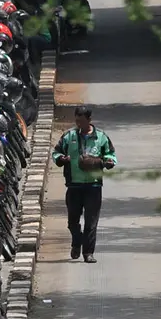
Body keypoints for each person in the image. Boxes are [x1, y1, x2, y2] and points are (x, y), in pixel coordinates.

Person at [51, 105, 116, 263]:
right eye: (77, 121)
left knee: (91, 221)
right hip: (74, 185)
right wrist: (61, 159)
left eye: (81, 121)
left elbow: (111, 156)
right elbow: (56, 153)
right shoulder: (69, 136)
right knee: (72, 221)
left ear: (89, 120)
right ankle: (77, 242)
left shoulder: (101, 137)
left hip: (93, 186)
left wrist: (104, 162)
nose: (78, 124)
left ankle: (88, 253)